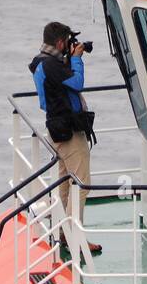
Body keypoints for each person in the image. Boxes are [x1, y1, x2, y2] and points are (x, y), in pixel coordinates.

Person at [29, 22, 101, 255]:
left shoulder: (41, 63)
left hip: (56, 130)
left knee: (65, 183)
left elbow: (55, 91)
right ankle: (74, 237)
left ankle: (63, 231)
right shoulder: (52, 65)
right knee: (81, 184)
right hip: (69, 134)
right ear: (60, 42)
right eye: (68, 41)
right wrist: (77, 59)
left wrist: (69, 60)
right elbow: (77, 83)